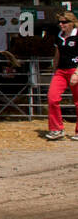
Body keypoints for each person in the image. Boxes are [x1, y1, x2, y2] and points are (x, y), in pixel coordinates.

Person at [45, 11, 78, 140]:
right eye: (60, 22)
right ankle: (56, 129)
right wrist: (54, 69)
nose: (61, 24)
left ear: (72, 23)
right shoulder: (59, 36)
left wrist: (76, 72)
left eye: (64, 22)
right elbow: (57, 53)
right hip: (61, 71)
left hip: (74, 69)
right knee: (52, 98)